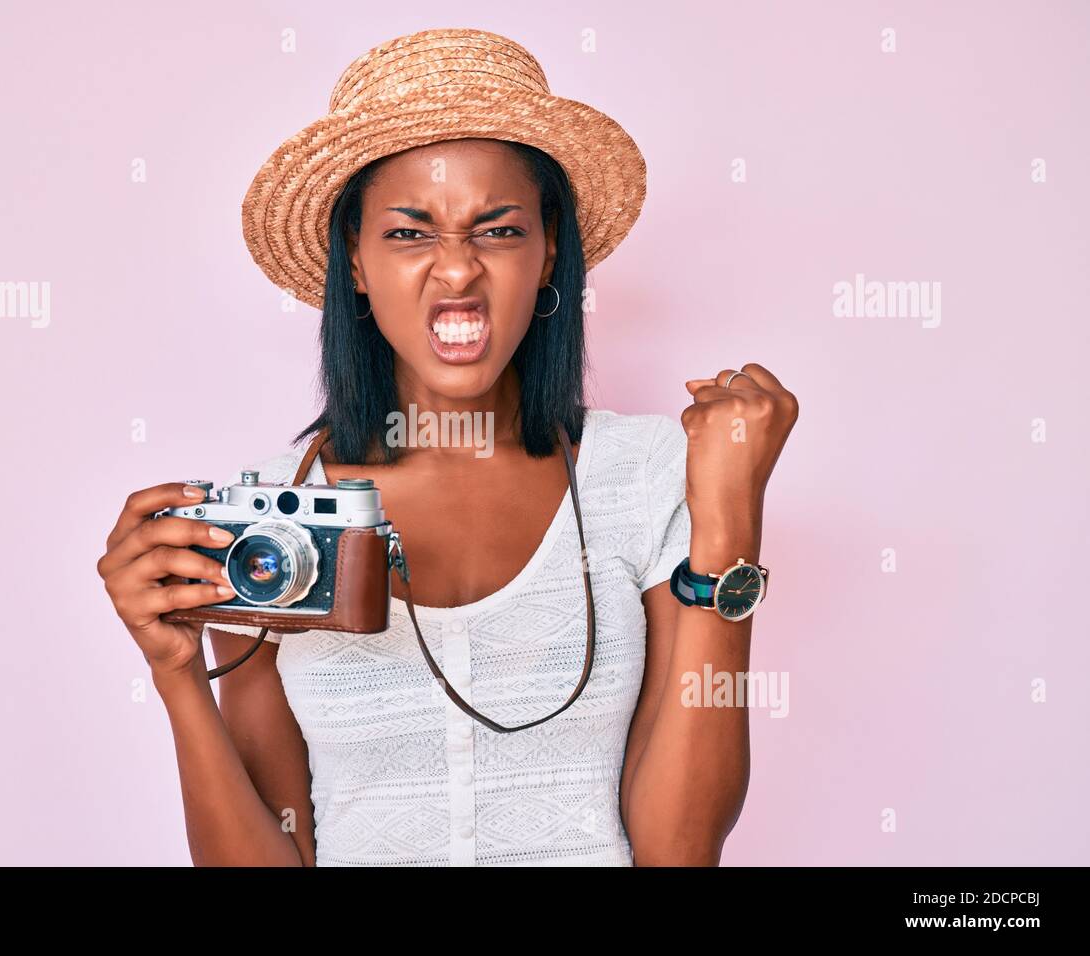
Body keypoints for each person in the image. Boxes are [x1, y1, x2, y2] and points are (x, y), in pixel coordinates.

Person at [96, 28, 798, 866]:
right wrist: (176, 675)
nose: (457, 271)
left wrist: (729, 523)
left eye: (499, 232)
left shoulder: (650, 475)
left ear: (548, 259)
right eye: (409, 234)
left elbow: (680, 851)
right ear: (353, 261)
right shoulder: (274, 527)